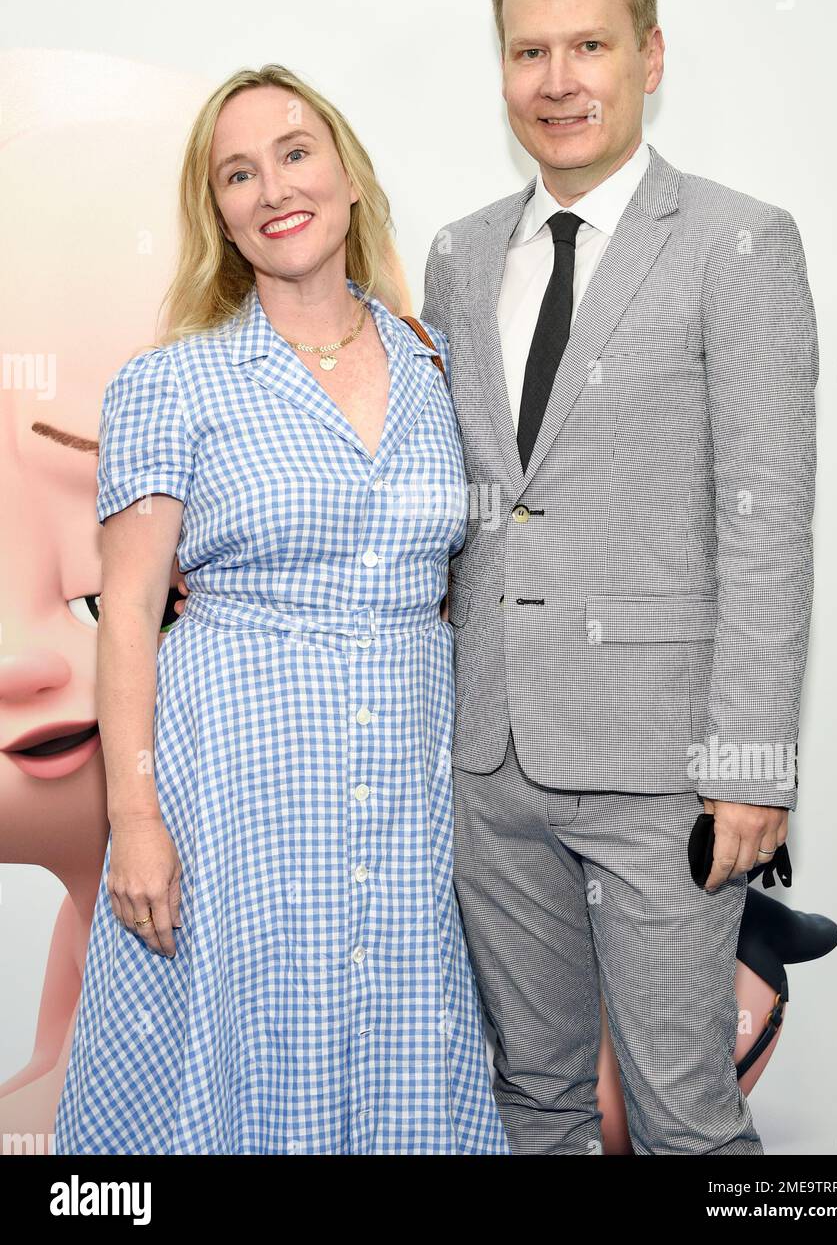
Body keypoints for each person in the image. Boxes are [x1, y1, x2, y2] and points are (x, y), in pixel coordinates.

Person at [52, 63, 509, 1155]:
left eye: (295, 154)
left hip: (408, 789)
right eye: (238, 174)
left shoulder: (440, 362)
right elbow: (127, 620)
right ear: (218, 214)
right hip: (233, 796)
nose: (272, 189)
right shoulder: (172, 383)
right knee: (242, 1058)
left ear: (349, 175)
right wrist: (137, 821)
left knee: (406, 1042)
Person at [419, 0, 819, 1155]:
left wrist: (750, 763)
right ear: (499, 72)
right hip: (489, 759)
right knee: (532, 1101)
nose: (558, 79)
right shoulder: (456, 252)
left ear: (651, 54)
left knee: (685, 1114)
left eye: (588, 43)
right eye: (530, 51)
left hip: (663, 773)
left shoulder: (738, 241)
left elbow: (768, 512)